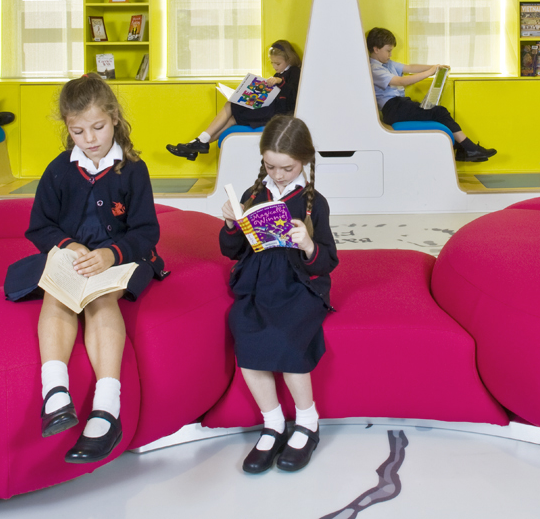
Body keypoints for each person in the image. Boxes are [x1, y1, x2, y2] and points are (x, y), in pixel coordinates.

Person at [4, 74, 167, 464]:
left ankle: (107, 408)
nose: (90, 139)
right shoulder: (59, 170)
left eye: (98, 127)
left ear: (113, 117)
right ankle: (55, 394)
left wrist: (112, 253)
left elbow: (147, 230)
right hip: (71, 258)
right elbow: (39, 226)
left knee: (100, 299)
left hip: (118, 260)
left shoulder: (133, 170)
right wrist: (68, 247)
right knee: (57, 296)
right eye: (78, 131)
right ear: (67, 128)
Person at [220, 115, 338, 473]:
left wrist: (306, 245)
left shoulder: (314, 202)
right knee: (245, 331)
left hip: (298, 283)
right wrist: (230, 225)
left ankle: (307, 421)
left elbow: (327, 260)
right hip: (258, 280)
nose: (279, 175)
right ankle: (272, 423)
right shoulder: (254, 194)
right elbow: (232, 250)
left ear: (304, 161)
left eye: (287, 167)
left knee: (288, 335)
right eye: (270, 166)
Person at [366, 27, 495, 162]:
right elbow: (400, 81)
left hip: (400, 105)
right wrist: (429, 73)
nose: (390, 54)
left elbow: (410, 67)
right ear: (376, 49)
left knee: (437, 110)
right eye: (388, 51)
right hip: (393, 109)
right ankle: (469, 148)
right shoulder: (374, 68)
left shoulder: (387, 63)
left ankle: (465, 149)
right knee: (440, 112)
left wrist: (434, 67)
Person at [168, 40, 303, 160]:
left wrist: (279, 81)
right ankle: (197, 144)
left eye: (277, 63)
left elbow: (293, 95)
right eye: (272, 63)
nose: (275, 66)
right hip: (270, 108)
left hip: (277, 113)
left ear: (289, 59)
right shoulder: (279, 73)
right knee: (232, 119)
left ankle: (198, 142)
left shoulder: (295, 72)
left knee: (232, 104)